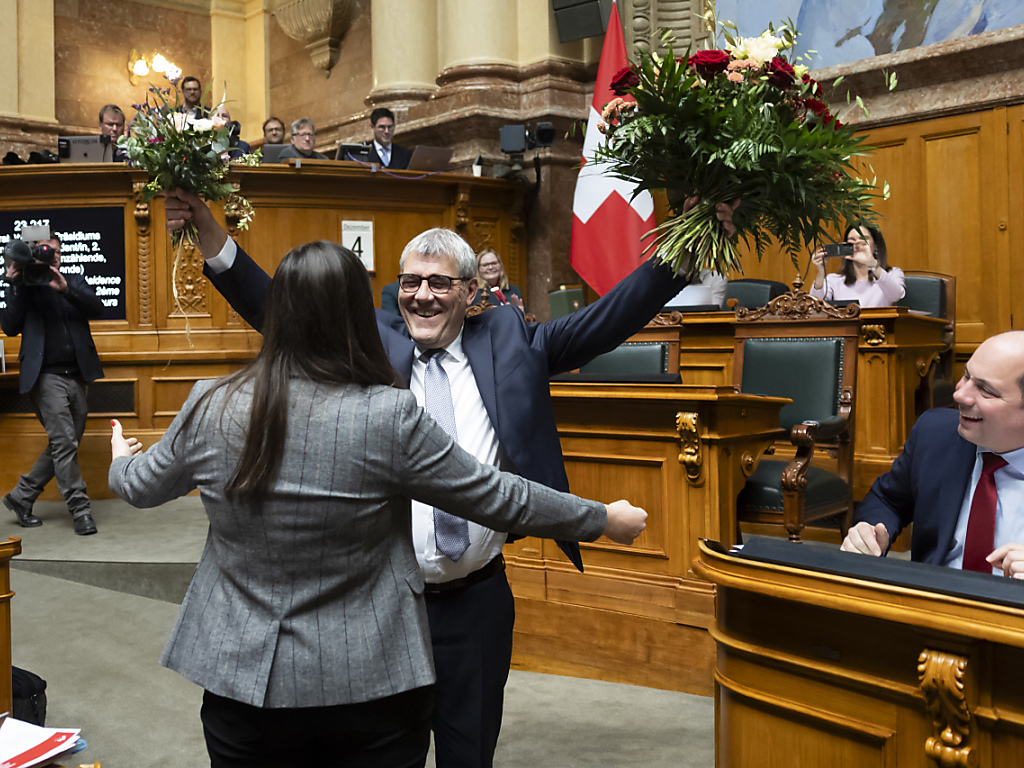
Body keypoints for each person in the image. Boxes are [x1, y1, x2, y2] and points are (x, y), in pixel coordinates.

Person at [163, 188, 738, 768]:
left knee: (469, 757)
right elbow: (274, 304)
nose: (423, 295)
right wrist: (211, 234)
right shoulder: (369, 343)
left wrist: (688, 245)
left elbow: (607, 318)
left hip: (475, 604)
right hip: (383, 608)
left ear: (471, 292)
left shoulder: (517, 342)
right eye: (411, 282)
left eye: (439, 283)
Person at [842, 331, 1024, 579]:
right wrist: (871, 531)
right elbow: (887, 500)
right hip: (931, 603)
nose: (960, 395)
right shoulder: (935, 434)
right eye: (967, 376)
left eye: (985, 390)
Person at [1, 234, 103, 535]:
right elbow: (8, 326)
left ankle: (22, 497)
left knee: (65, 442)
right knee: (63, 441)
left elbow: (97, 308)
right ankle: (80, 510)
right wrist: (15, 284)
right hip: (46, 377)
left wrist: (66, 289)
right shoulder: (26, 286)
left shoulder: (73, 280)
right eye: (45, 253)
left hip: (77, 374)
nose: (51, 257)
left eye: (55, 252)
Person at [809, 223, 905, 307]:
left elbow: (896, 295)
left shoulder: (892, 274)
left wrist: (872, 264)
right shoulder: (834, 280)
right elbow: (815, 304)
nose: (857, 244)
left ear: (875, 245)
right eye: (852, 240)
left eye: (863, 239)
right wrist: (821, 272)